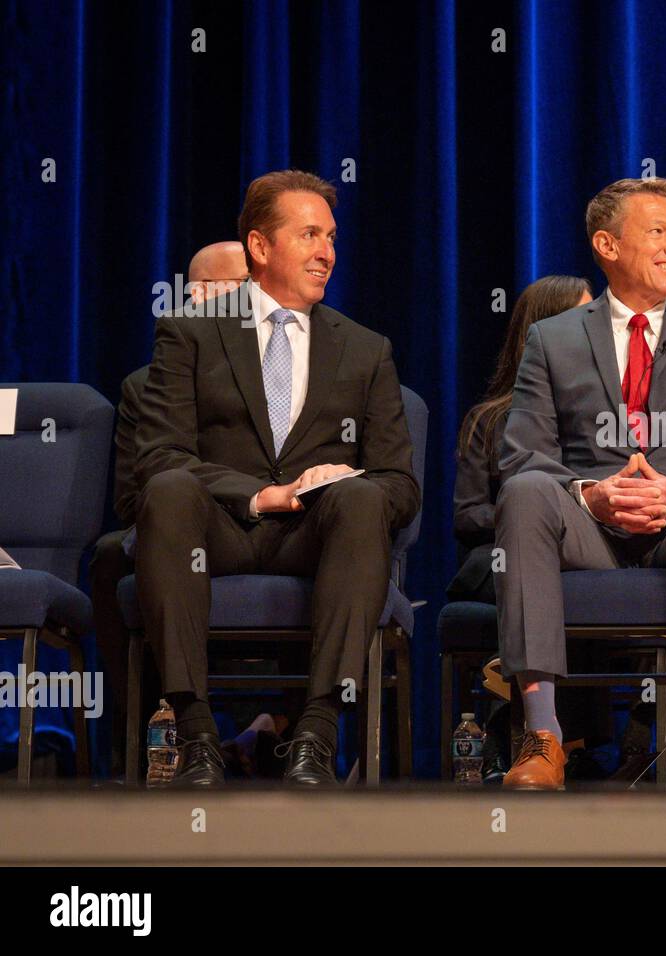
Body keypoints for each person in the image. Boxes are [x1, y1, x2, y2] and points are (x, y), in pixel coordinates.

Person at [132, 170, 420, 788]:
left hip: (314, 539)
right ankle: (196, 733)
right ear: (260, 247)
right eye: (309, 235)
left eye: (332, 237)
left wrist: (343, 480)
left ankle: (316, 733)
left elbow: (400, 481)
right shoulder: (191, 334)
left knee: (366, 499)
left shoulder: (366, 350)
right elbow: (158, 456)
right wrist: (260, 494)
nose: (327, 253)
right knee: (168, 490)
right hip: (221, 532)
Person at [494, 177, 666, 791]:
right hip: (589, 528)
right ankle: (542, 734)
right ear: (607, 244)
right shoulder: (553, 338)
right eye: (657, 232)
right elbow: (524, 457)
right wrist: (591, 496)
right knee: (523, 494)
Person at [89, 240, 252, 775]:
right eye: (242, 285)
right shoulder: (145, 388)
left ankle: (278, 733)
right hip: (177, 535)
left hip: (266, 529)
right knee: (112, 555)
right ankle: (147, 739)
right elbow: (131, 500)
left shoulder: (285, 378)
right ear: (200, 295)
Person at [449, 275, 593, 603]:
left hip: (588, 556)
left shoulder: (617, 414)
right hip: (512, 550)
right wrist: (533, 513)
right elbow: (468, 516)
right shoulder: (487, 421)